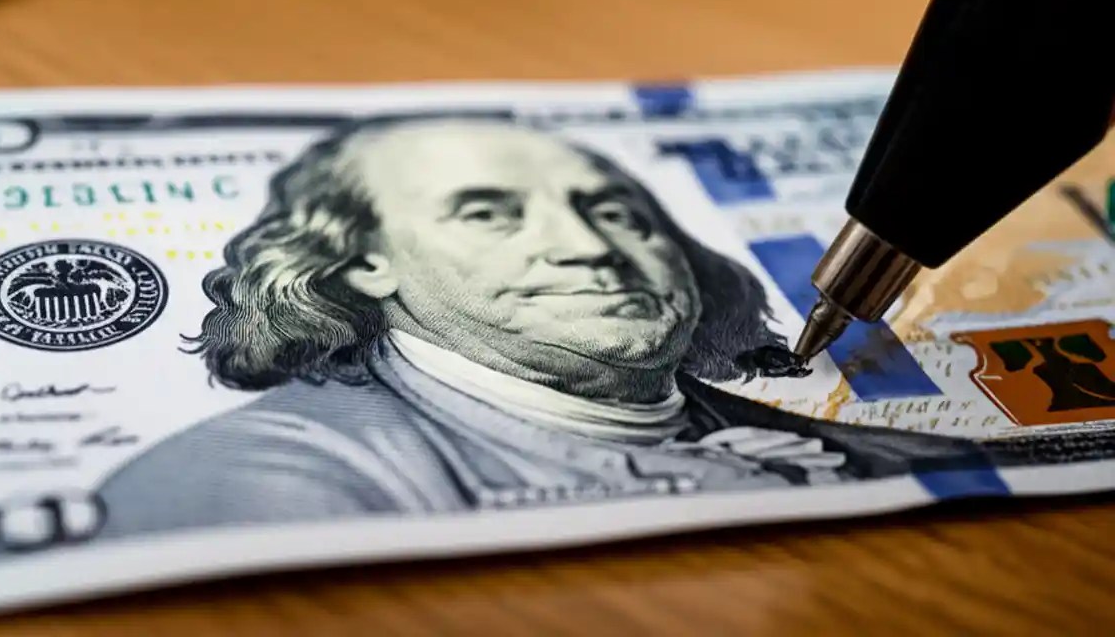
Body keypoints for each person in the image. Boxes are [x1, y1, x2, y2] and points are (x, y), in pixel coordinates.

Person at [94, 116, 993, 538]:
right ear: (362, 260)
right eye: (488, 215)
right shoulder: (269, 481)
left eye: (620, 214)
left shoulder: (859, 451)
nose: (585, 249)